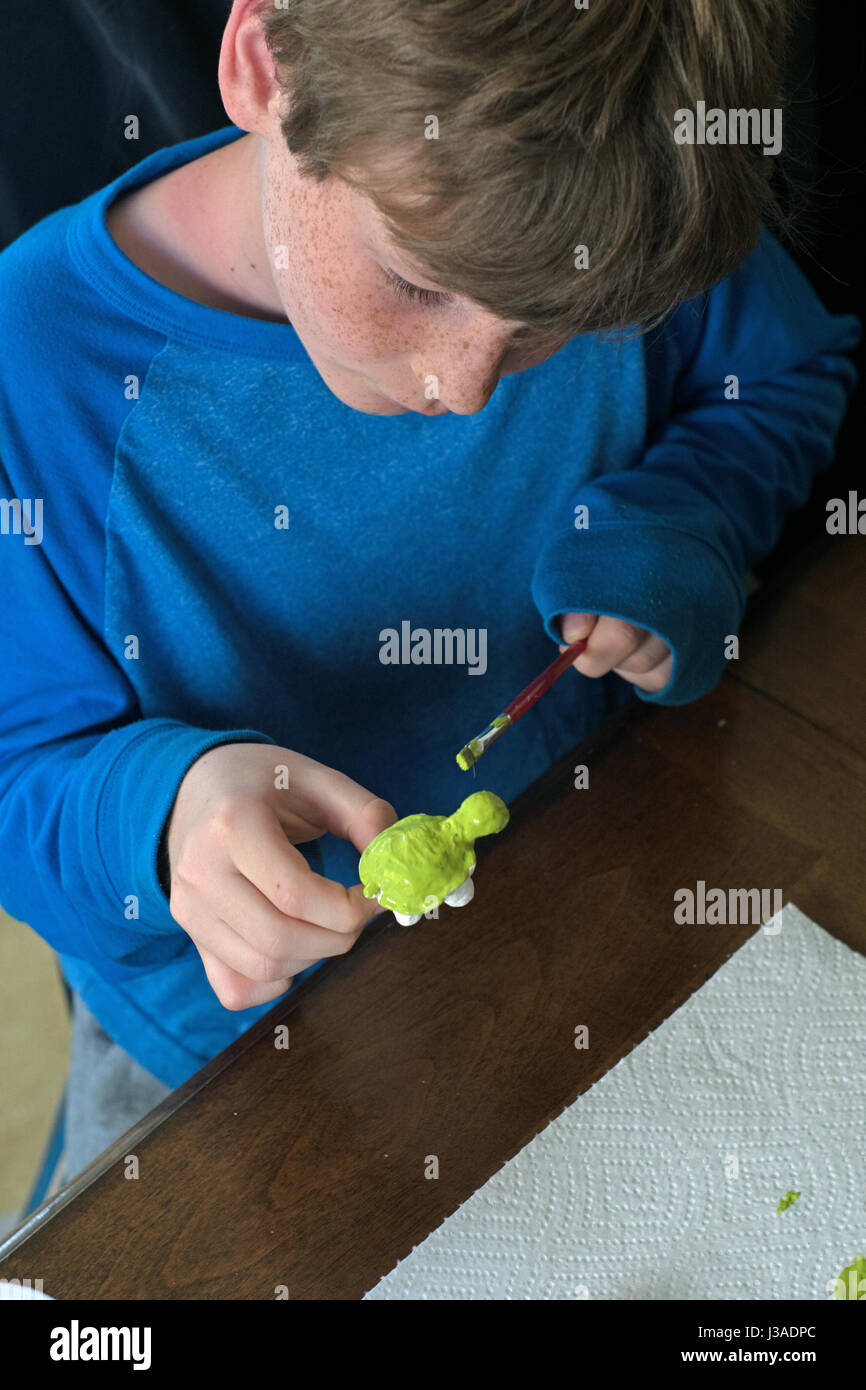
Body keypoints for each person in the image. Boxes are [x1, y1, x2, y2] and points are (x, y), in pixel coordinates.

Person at [0, 0, 858, 1179]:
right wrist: (164, 814)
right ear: (264, 66)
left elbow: (778, 378)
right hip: (217, 1047)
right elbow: (16, 778)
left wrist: (682, 523)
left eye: (553, 326)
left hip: (583, 883)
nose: (465, 384)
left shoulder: (624, 198)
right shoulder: (29, 375)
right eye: (414, 282)